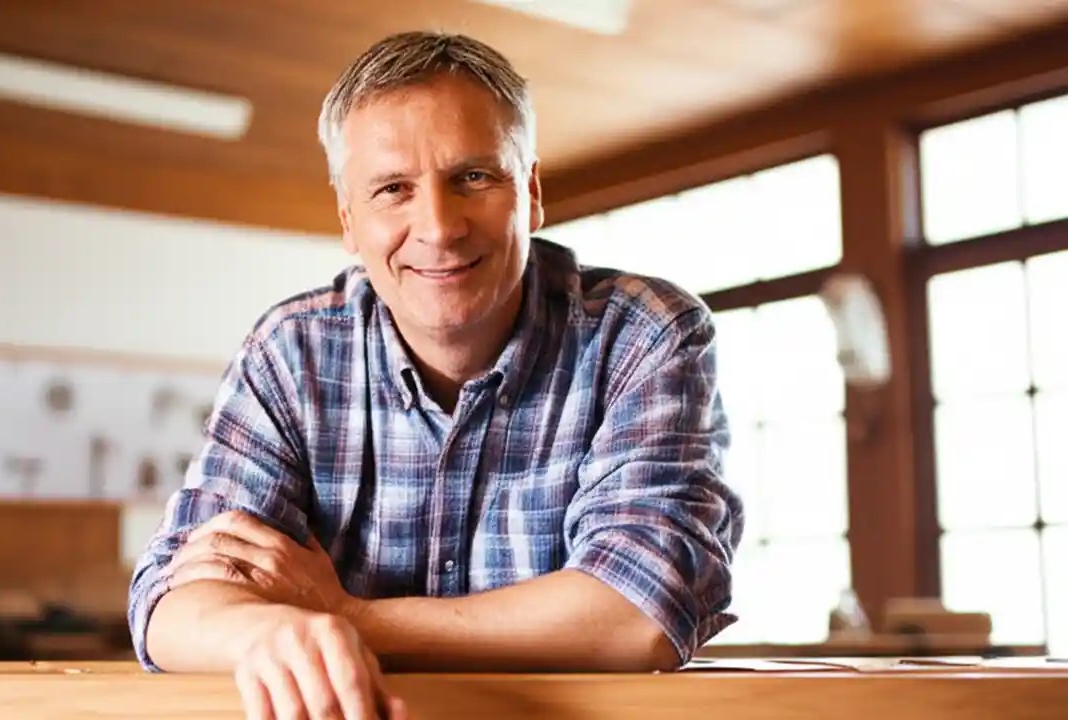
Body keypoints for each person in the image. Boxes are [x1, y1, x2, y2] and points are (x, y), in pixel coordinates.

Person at [129, 30, 744, 719]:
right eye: (393, 189)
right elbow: (169, 599)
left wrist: (343, 616)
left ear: (531, 193)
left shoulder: (644, 333)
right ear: (349, 222)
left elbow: (640, 611)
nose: (440, 226)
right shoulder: (290, 350)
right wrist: (268, 632)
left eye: (473, 178)